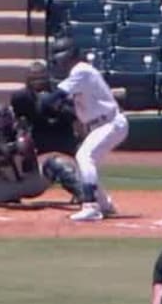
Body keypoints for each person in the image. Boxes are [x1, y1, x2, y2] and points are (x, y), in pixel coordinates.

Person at [44, 37, 128, 222]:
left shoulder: (80, 70)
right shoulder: (79, 73)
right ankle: (104, 204)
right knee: (86, 161)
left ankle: (91, 206)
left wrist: (42, 102)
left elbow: (57, 96)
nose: (57, 61)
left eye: (59, 56)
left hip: (110, 123)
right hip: (101, 123)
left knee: (84, 156)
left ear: (69, 55)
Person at [0, 104, 82, 208]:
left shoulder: (21, 134)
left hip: (31, 181)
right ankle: (8, 197)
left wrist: (6, 149)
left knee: (57, 163)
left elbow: (25, 149)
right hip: (5, 185)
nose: (1, 124)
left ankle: (83, 194)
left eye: (4, 120)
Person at [10, 61, 78, 158]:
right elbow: (19, 121)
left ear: (47, 77)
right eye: (34, 79)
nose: (37, 82)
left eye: (41, 78)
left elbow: (74, 115)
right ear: (28, 79)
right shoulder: (21, 97)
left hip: (62, 134)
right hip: (37, 136)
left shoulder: (61, 90)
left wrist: (57, 107)